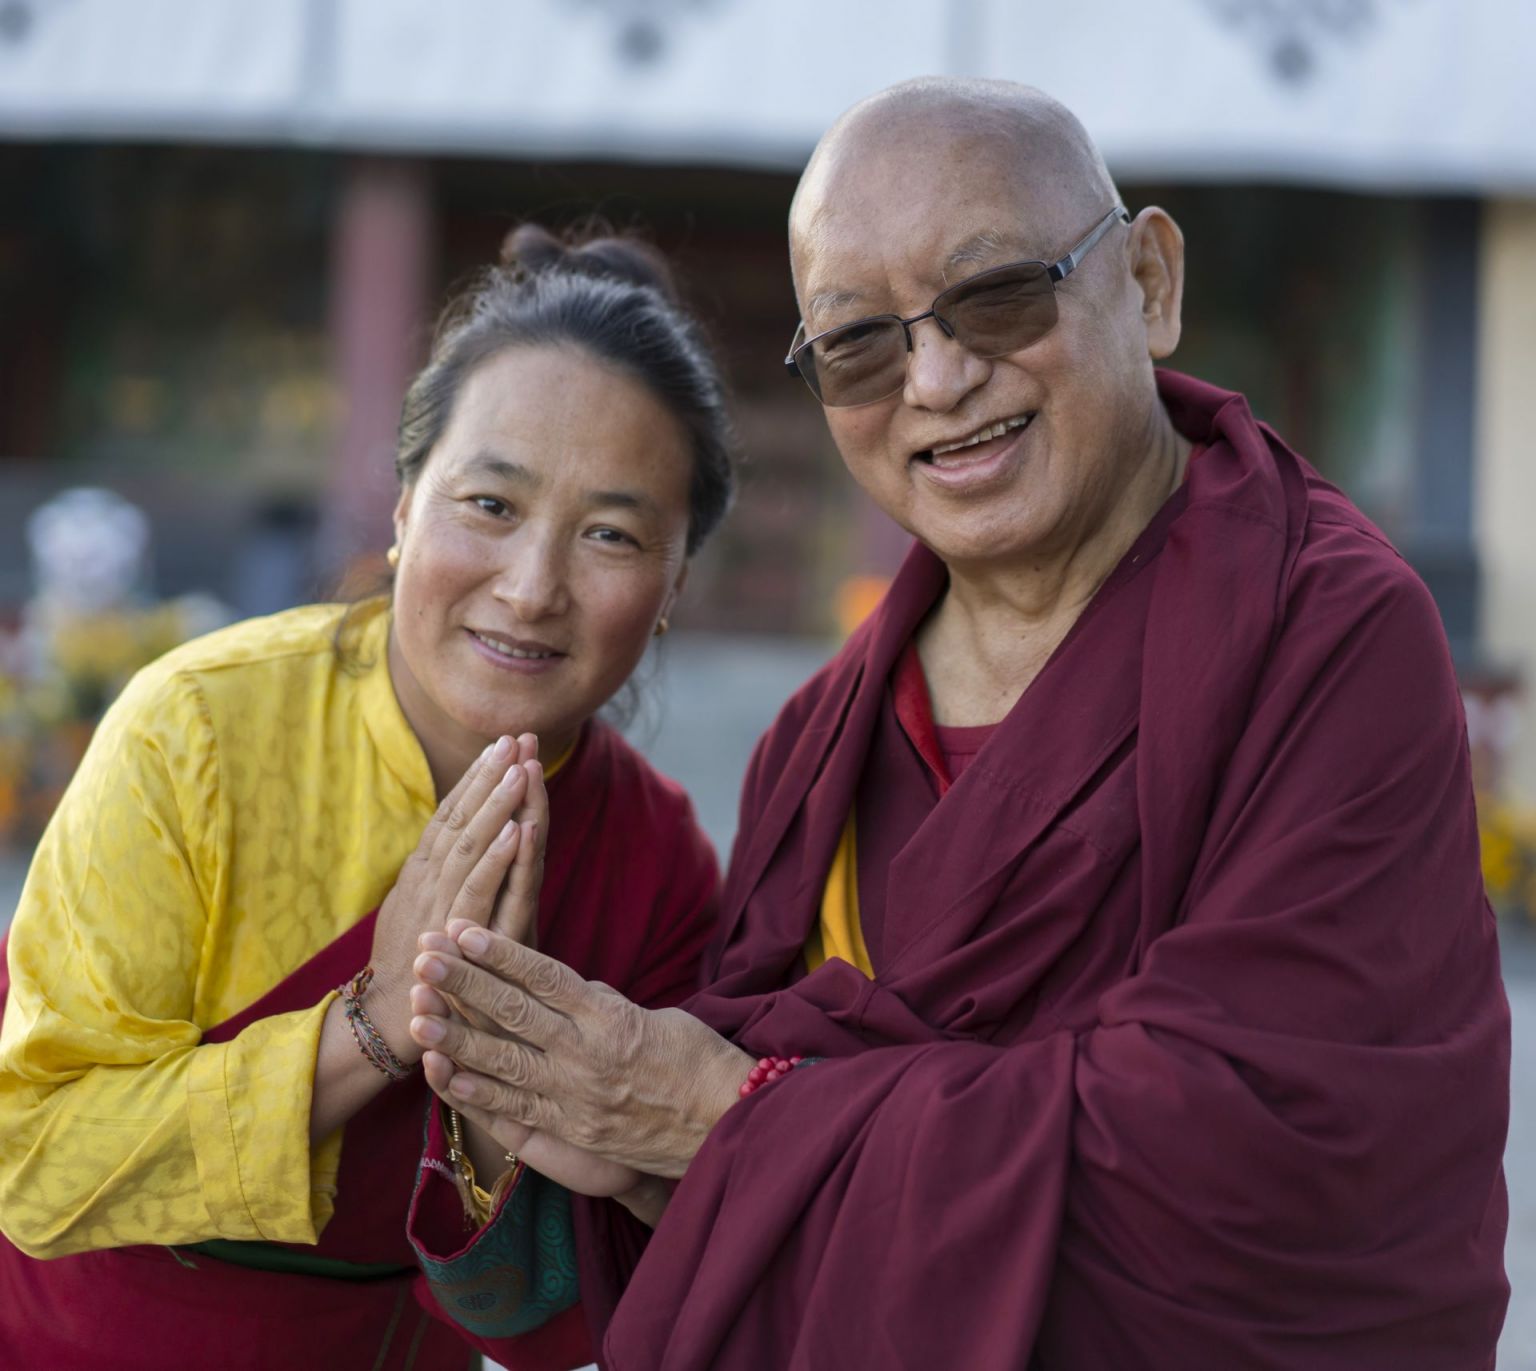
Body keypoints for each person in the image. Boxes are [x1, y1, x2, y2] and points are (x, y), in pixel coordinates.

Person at [408, 79, 1511, 1369]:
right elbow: (695, 1219)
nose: (937, 379)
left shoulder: (1322, 632)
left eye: (997, 297)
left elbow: (1266, 1164)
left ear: (1149, 282)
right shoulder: (819, 743)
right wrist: (528, 1086)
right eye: (859, 347)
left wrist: (719, 1112)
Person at [0, 224, 733, 1370]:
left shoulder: (656, 860)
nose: (531, 588)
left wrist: (497, 1089)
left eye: (610, 534)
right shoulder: (198, 731)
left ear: (676, 579)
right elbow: (37, 1159)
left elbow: (567, 1306)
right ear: (401, 508)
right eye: (490, 504)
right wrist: (380, 1023)